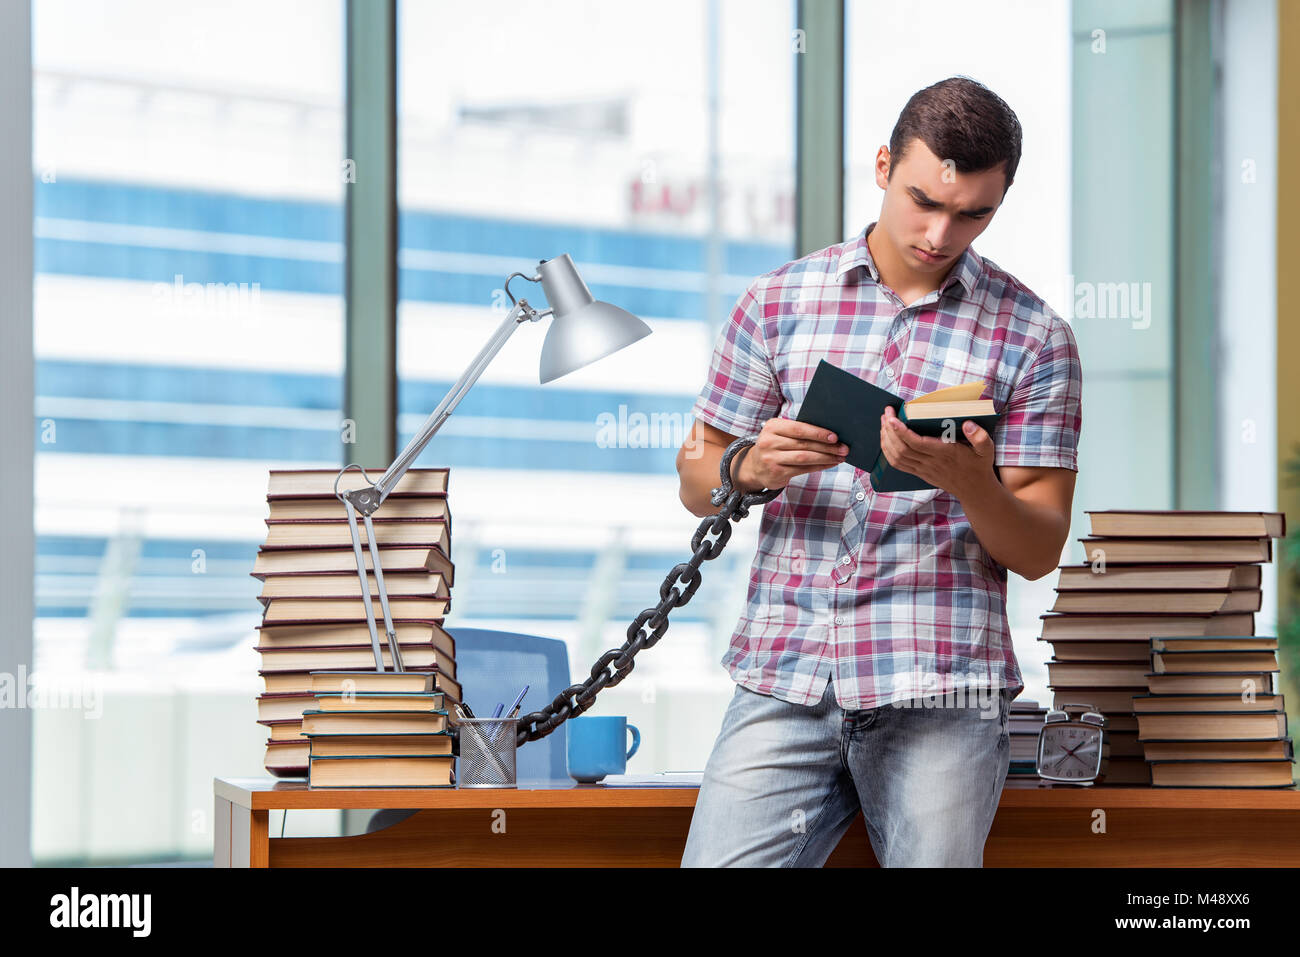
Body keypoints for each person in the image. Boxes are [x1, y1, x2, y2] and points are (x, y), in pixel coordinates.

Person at [676, 76, 1082, 867]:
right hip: (785, 675)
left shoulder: (1035, 338)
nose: (940, 232)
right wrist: (750, 464)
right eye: (923, 200)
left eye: (973, 213)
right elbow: (696, 475)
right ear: (882, 167)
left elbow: (1036, 548)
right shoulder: (778, 301)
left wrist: (970, 481)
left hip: (943, 691)